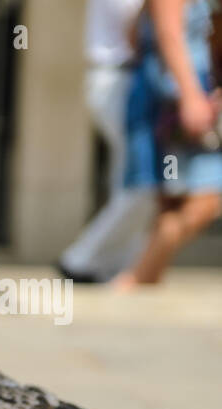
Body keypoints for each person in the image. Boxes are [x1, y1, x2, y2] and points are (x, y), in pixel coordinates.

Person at [115, 0, 222, 288]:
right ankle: (135, 278)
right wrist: (190, 94)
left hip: (174, 92)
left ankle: (146, 277)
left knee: (174, 198)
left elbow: (134, 36)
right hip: (177, 97)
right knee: (207, 198)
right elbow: (169, 35)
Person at [57, 0, 158, 283]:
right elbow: (135, 28)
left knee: (126, 178)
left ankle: (116, 264)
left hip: (123, 77)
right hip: (117, 78)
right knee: (140, 181)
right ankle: (82, 259)